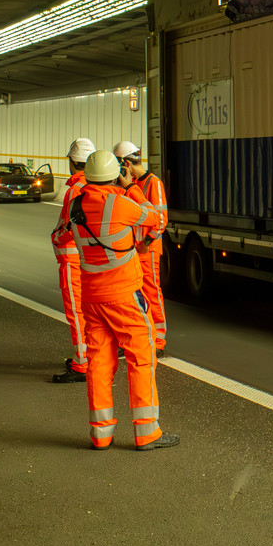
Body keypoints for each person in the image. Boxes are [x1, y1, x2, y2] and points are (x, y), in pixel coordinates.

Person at [71, 150, 178, 451]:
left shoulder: (75, 205)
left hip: (91, 296)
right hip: (123, 295)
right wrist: (130, 186)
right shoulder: (120, 204)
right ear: (115, 175)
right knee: (141, 357)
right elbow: (155, 217)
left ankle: (101, 434)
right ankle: (147, 432)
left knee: (98, 363)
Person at [113, 140, 168, 355]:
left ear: (126, 163)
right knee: (135, 297)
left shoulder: (153, 183)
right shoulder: (131, 183)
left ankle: (158, 340)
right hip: (133, 250)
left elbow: (161, 220)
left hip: (147, 250)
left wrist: (146, 243)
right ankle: (139, 339)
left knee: (152, 293)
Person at [51, 137, 95, 384]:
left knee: (76, 312)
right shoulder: (96, 186)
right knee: (91, 312)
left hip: (72, 258)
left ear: (72, 161)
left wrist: (56, 237)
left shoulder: (74, 190)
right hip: (92, 258)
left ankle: (81, 364)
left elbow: (69, 227)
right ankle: (91, 358)